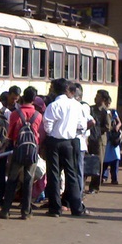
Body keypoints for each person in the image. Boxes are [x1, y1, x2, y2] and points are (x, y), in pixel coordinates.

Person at [42, 78, 90, 217]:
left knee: (54, 175)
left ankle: (55, 209)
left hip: (55, 141)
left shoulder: (54, 105)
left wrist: (53, 134)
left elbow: (48, 125)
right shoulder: (76, 105)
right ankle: (76, 207)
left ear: (56, 90)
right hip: (71, 141)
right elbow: (82, 125)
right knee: (72, 174)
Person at [0, 86, 42, 220]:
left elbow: (10, 135)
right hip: (33, 150)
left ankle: (5, 211)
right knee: (28, 181)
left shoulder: (15, 114)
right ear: (34, 99)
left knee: (12, 180)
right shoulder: (38, 115)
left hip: (18, 150)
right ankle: (26, 212)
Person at [88, 89, 112, 192]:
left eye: (98, 96)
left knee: (98, 162)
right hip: (90, 138)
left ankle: (95, 186)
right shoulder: (91, 109)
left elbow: (107, 127)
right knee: (87, 160)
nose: (95, 97)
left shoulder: (105, 111)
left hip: (100, 140)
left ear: (103, 99)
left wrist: (96, 129)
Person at [73, 83, 94, 195]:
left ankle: (79, 193)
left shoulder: (83, 107)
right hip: (75, 142)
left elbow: (91, 122)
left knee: (79, 169)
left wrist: (81, 132)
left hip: (79, 141)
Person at [102, 107, 122, 185]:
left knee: (115, 158)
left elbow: (119, 122)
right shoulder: (101, 111)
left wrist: (117, 127)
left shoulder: (113, 112)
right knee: (104, 159)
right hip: (105, 137)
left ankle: (114, 178)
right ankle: (103, 176)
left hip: (113, 138)